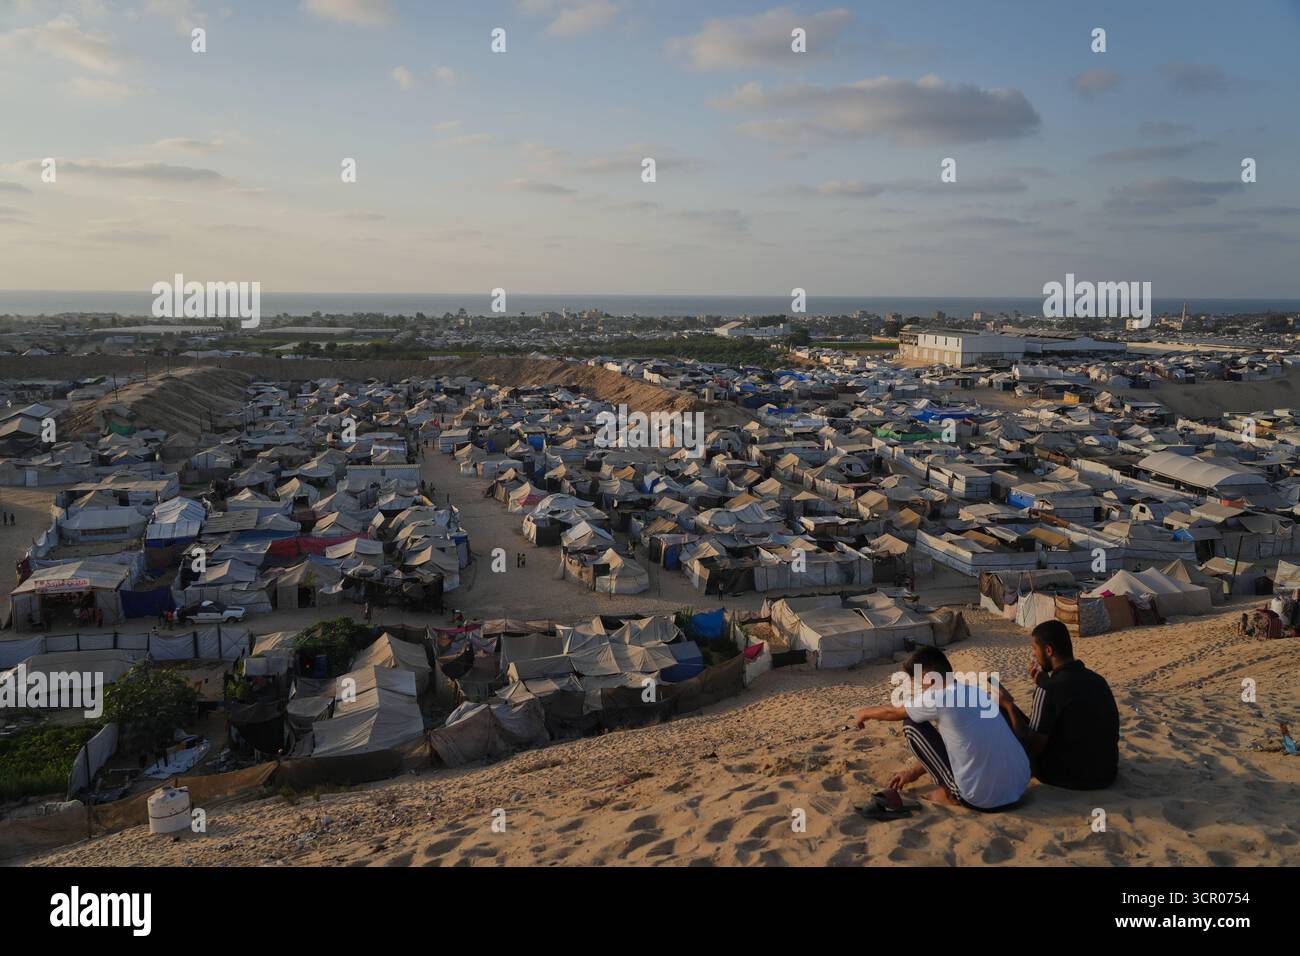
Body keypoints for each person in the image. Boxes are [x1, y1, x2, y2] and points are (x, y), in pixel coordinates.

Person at [853, 646, 1030, 811]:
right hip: (1019, 788)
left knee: (911, 724)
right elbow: (958, 745)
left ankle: (950, 792)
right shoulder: (975, 691)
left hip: (983, 799)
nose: (920, 688)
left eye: (918, 682)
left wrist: (864, 713)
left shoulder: (939, 696)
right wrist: (913, 772)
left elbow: (893, 712)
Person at [998, 620, 1119, 790]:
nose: (1033, 655)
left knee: (1001, 710)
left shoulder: (1048, 690)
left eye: (1034, 649)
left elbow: (1032, 749)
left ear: (1048, 650)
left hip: (1066, 776)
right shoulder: (1097, 680)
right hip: (1106, 773)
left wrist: (1009, 706)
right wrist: (1046, 683)